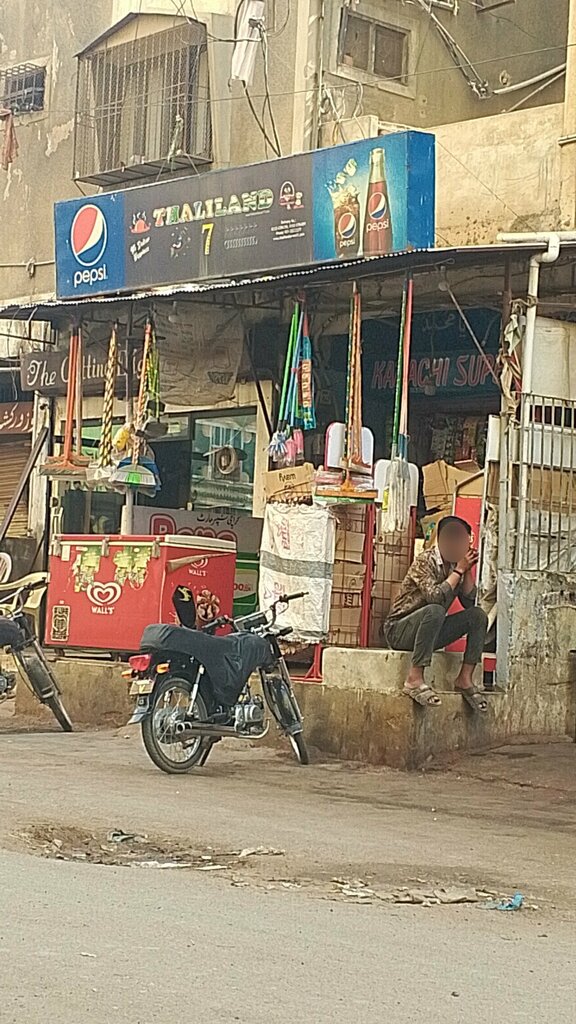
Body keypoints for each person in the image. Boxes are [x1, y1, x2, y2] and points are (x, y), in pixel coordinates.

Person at [384, 516, 488, 711]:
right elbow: (435, 597)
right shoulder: (425, 561)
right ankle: (414, 678)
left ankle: (465, 678)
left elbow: (469, 602)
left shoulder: (457, 564)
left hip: (431, 629)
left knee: (478, 615)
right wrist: (458, 571)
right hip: (400, 630)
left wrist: (467, 571)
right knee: (435, 609)